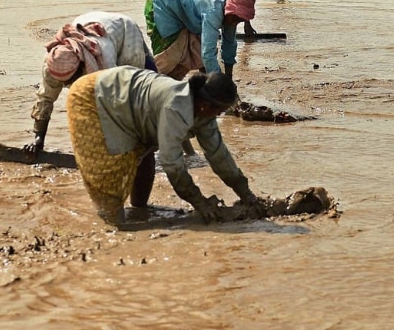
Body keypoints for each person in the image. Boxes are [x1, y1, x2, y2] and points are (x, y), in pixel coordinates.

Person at [65, 65, 265, 225]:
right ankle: (111, 221)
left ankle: (139, 209)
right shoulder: (175, 108)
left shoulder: (204, 114)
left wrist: (246, 194)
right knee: (110, 167)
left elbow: (218, 155)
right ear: (206, 105)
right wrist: (199, 202)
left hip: (127, 103)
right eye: (220, 110)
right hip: (93, 97)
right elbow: (172, 164)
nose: (221, 115)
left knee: (141, 156)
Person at [24, 11, 156, 159]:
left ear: (81, 66)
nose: (67, 85)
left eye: (70, 81)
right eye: (63, 82)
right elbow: (45, 99)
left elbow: (115, 100)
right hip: (91, 21)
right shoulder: (53, 60)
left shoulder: (102, 61)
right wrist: (38, 139)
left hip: (124, 31)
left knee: (135, 88)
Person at [144, 0, 256, 80]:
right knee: (168, 56)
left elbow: (229, 45)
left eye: (239, 21)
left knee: (196, 51)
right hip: (161, 3)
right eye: (235, 19)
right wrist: (221, 86)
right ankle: (151, 87)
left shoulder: (230, 14)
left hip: (183, 7)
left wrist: (229, 78)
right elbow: (207, 54)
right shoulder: (213, 10)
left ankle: (203, 89)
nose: (234, 24)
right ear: (229, 8)